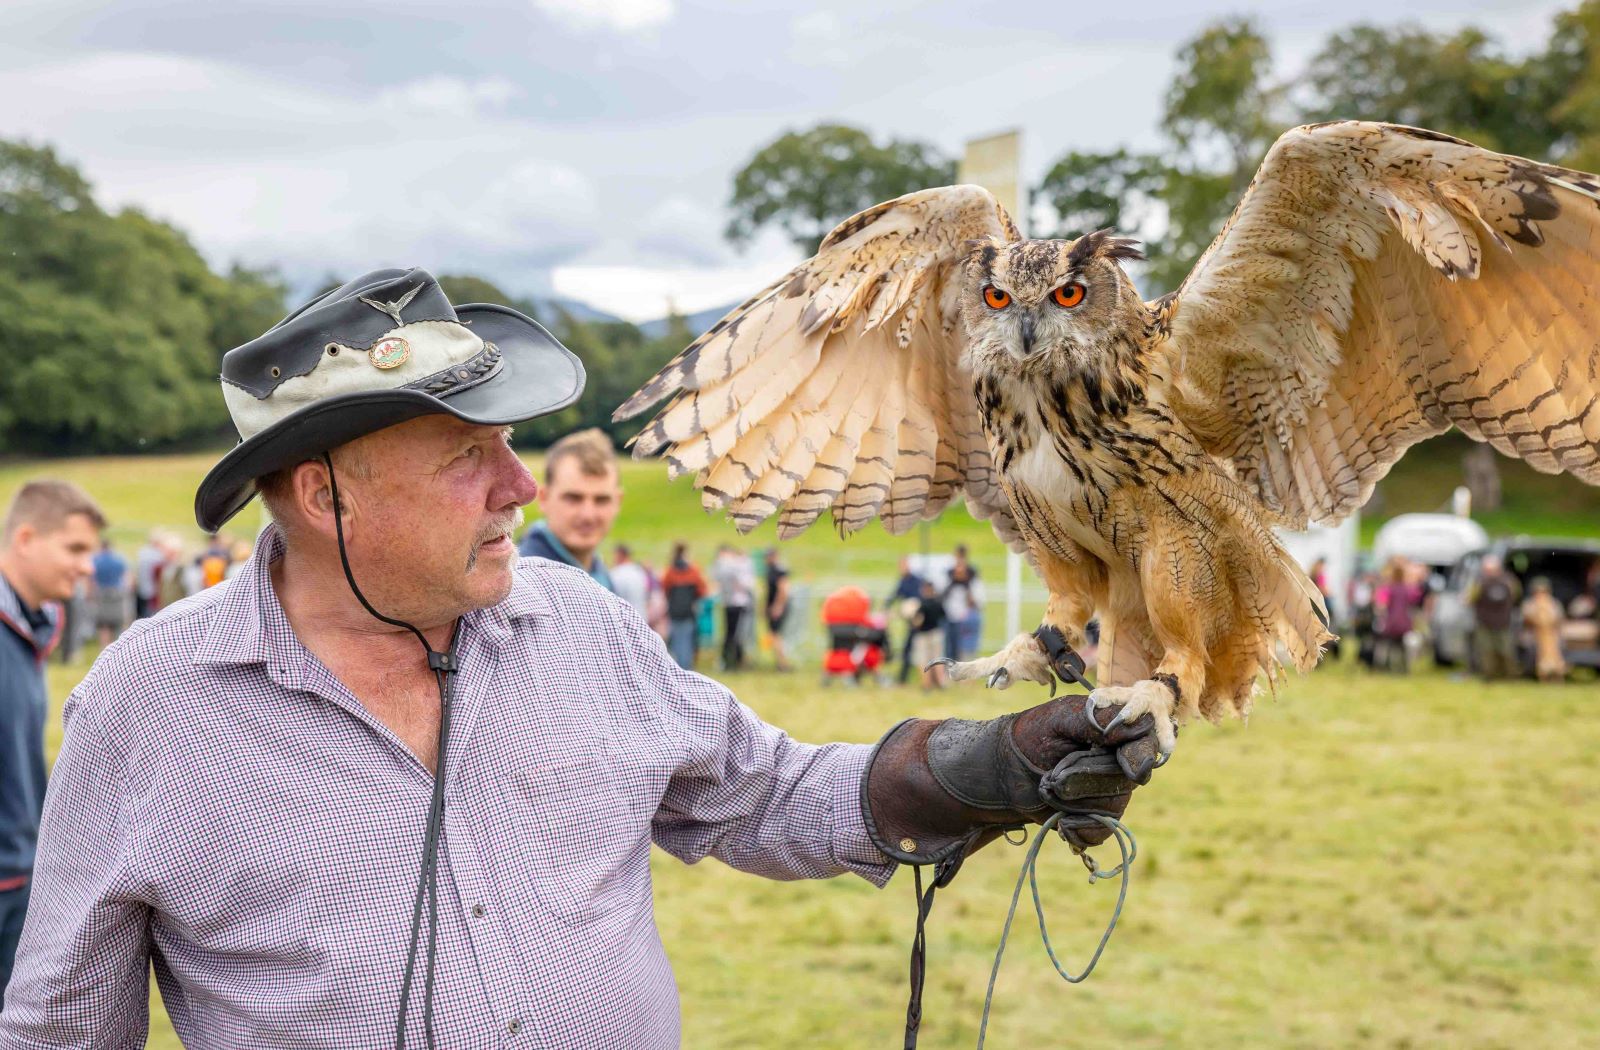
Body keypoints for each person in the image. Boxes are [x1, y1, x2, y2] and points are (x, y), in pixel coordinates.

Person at [0, 270, 1158, 1045]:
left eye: (515, 448)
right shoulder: (149, 708)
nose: (518, 487)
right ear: (325, 492)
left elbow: (765, 793)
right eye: (467, 454)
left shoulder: (581, 625)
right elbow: (60, 1025)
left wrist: (980, 765)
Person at [0, 480, 103, 999]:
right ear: (25, 538)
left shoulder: (32, 627)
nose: (87, 566)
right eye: (75, 548)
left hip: (21, 878)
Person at [518, 427, 620, 591]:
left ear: (618, 501)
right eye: (573, 498)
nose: (588, 515)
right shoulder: (521, 583)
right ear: (544, 498)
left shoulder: (599, 574)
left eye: (601, 500)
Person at [1468, 554, 1522, 680]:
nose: (1489, 572)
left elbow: (1517, 596)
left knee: (1506, 651)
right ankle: (1489, 676)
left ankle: (1510, 676)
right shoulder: (1479, 582)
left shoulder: (1509, 581)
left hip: (1503, 621)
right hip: (1484, 622)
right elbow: (1470, 599)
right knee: (1487, 651)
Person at [660, 543, 708, 669]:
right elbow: (703, 590)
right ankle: (686, 670)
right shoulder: (693, 570)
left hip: (674, 612)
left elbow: (664, 589)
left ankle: (677, 669)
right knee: (687, 642)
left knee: (676, 642)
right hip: (688, 612)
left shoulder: (670, 571)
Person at [712, 544, 756, 671]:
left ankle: (732, 660)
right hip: (738, 603)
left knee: (730, 634)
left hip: (729, 603)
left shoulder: (724, 565)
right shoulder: (734, 565)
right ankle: (734, 661)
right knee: (736, 634)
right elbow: (746, 584)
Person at [886, 557, 925, 685]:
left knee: (921, 651)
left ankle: (930, 679)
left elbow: (920, 599)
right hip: (910, 623)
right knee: (907, 650)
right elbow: (895, 595)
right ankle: (902, 679)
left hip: (920, 622)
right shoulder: (903, 581)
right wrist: (886, 607)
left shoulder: (917, 581)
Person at [1522, 577, 1566, 682]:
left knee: (1555, 651)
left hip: (1552, 634)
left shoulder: (1554, 603)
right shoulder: (1530, 604)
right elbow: (1526, 619)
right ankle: (1542, 674)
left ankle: (1557, 675)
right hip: (1535, 634)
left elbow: (1559, 619)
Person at [89, 536, 130, 647]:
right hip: (117, 594)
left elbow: (92, 580)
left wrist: (90, 595)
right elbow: (127, 578)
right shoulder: (119, 559)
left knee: (104, 625)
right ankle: (118, 648)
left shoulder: (96, 560)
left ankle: (104, 648)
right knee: (118, 624)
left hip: (101, 593)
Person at [911, 580, 948, 691]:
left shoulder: (922, 605)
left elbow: (917, 622)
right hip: (936, 633)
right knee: (938, 659)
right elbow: (944, 616)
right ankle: (940, 683)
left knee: (923, 661)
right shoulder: (938, 602)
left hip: (923, 635)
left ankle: (926, 685)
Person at [763, 548, 794, 671]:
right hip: (772, 607)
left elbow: (783, 589)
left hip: (778, 607)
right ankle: (780, 661)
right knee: (773, 635)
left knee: (776, 635)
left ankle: (783, 663)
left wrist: (778, 606)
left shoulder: (779, 570)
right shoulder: (769, 570)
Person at [610, 543, 652, 619]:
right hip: (642, 618)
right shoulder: (640, 571)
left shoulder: (616, 574)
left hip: (624, 620)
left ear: (620, 555)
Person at [132, 530, 165, 620]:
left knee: (141, 614)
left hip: (142, 586)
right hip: (153, 589)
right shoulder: (158, 555)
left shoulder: (142, 552)